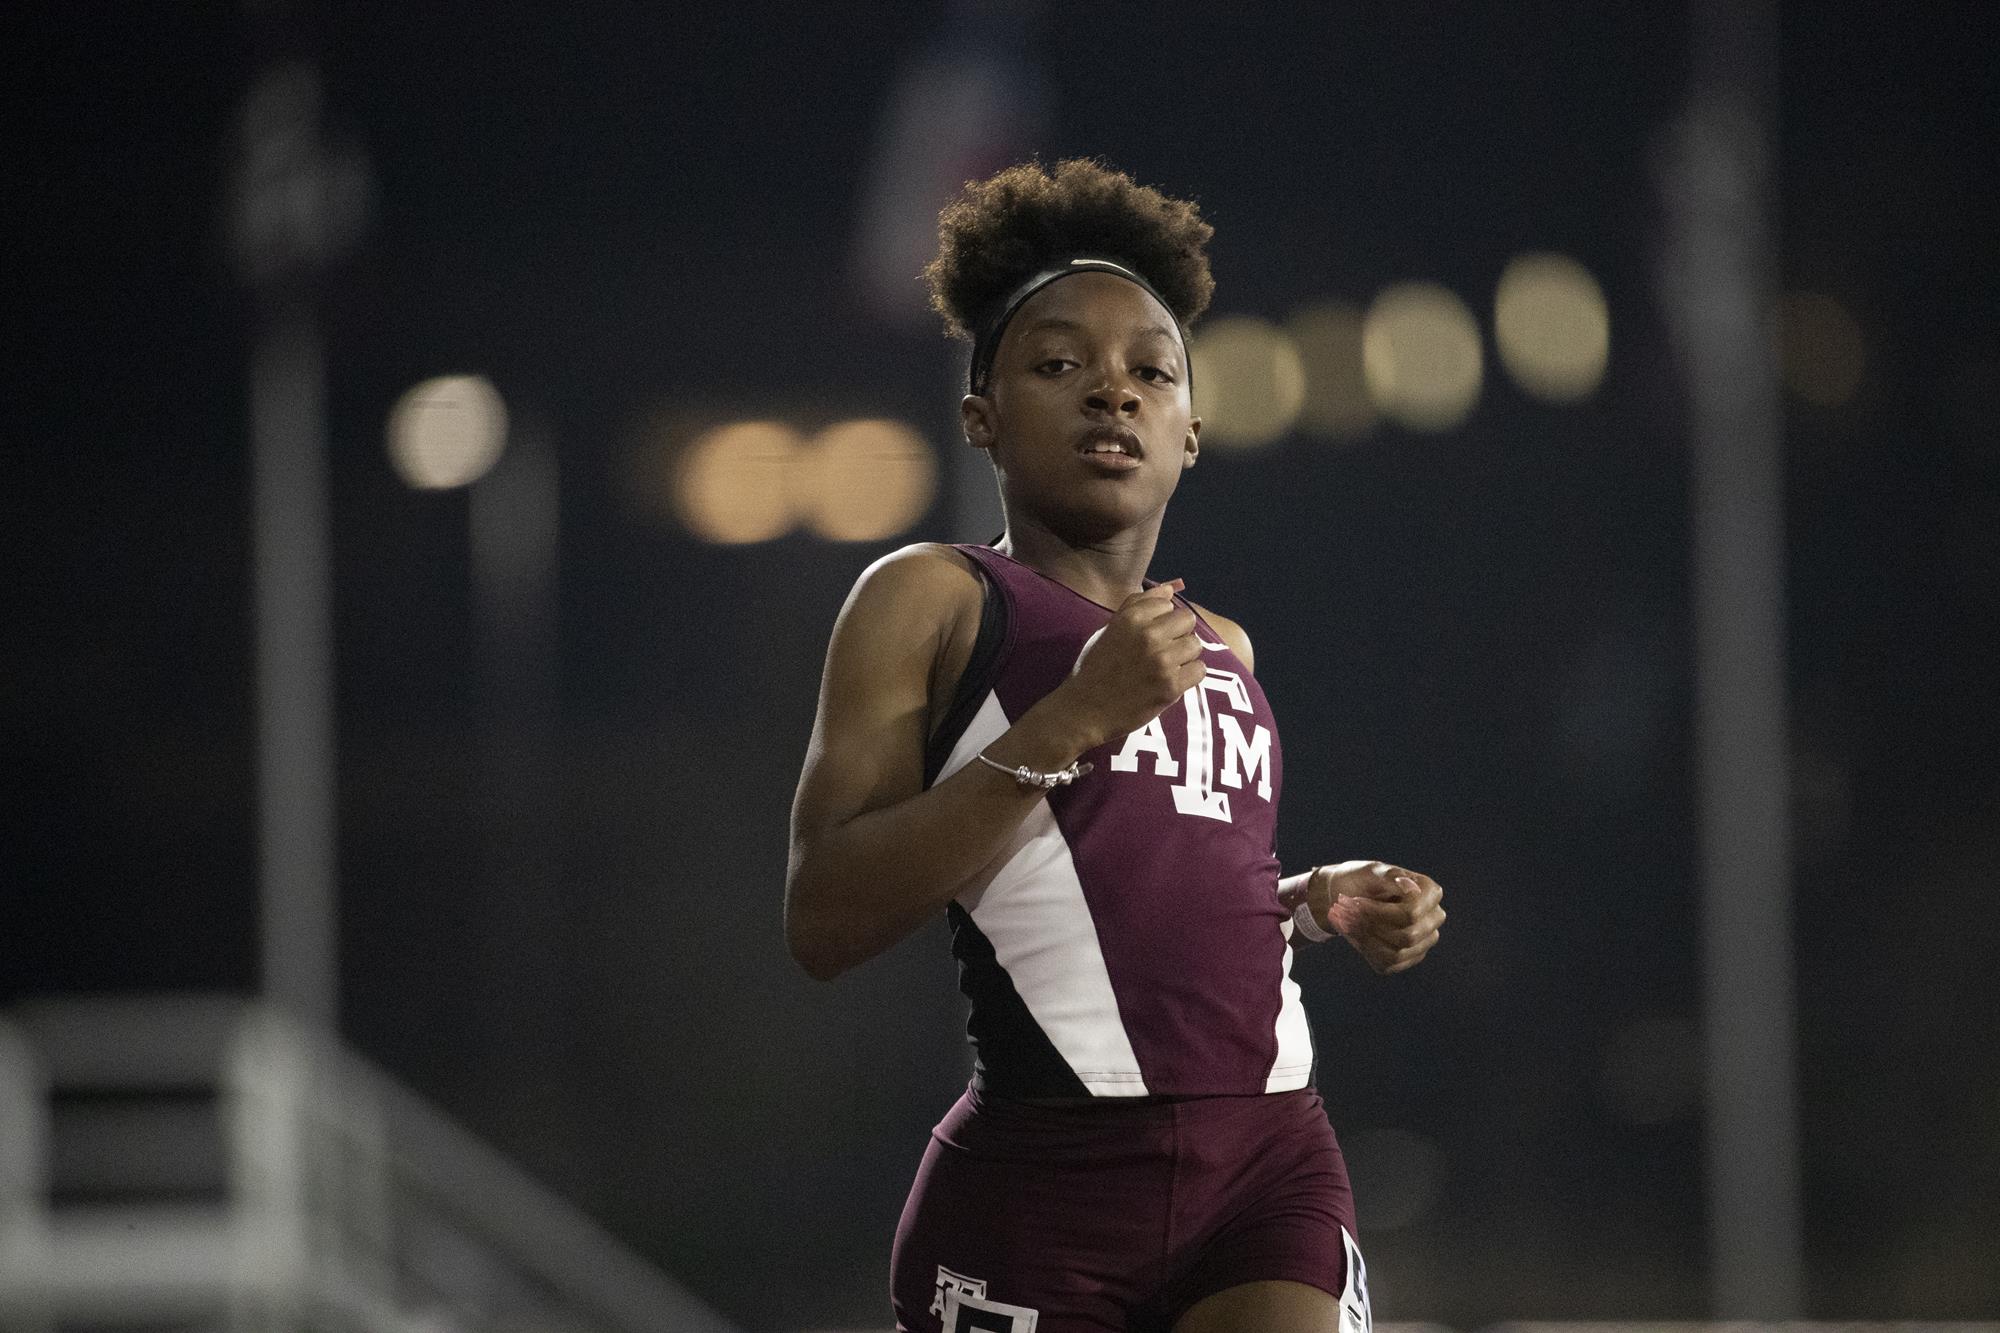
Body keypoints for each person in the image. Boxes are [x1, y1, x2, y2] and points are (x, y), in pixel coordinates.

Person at [785, 158, 1446, 1333]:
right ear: (978, 414)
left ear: (1191, 431)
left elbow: (1131, 891)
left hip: (1268, 1161)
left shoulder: (1224, 645)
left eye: (1151, 373)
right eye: (1059, 366)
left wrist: (1308, 901)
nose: (1113, 395)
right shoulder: (931, 598)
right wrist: (1074, 718)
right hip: (1039, 1185)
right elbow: (824, 915)